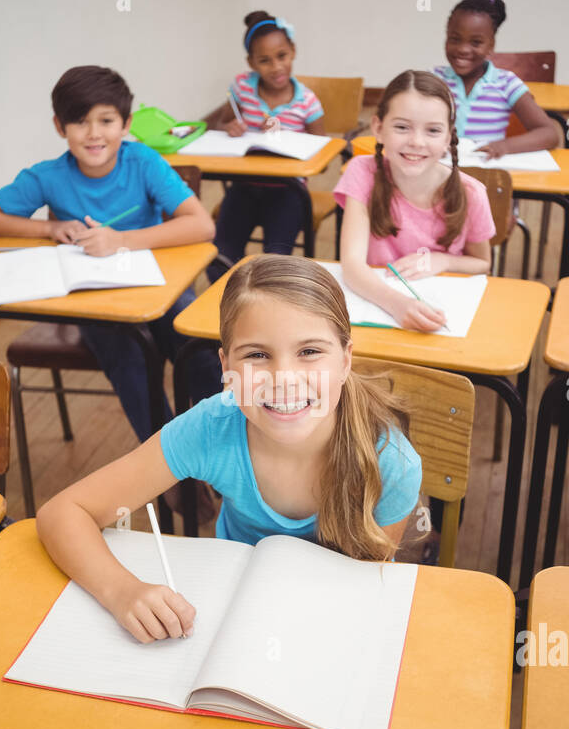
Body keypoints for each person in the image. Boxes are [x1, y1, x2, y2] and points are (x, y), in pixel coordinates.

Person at [37, 254, 423, 643]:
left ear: (345, 360)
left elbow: (367, 586)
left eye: (309, 352)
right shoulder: (212, 426)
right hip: (230, 609)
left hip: (327, 624)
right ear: (225, 367)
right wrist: (121, 591)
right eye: (257, 355)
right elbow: (63, 513)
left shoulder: (391, 462)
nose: (284, 379)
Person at [0, 65, 220, 442]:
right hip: (95, 300)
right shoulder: (49, 175)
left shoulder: (144, 162)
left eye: (106, 120)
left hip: (159, 286)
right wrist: (49, 228)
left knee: (197, 348)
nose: (94, 134)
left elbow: (202, 225)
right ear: (59, 126)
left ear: (126, 123)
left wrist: (120, 240)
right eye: (80, 122)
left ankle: (217, 446)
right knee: (128, 358)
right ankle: (170, 466)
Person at [335, 70, 494, 333]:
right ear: (378, 128)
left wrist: (443, 261)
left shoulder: (471, 193)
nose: (416, 142)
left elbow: (482, 263)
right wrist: (399, 305)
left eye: (432, 130)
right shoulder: (362, 173)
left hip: (441, 318)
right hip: (378, 311)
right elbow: (351, 265)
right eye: (401, 127)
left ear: (448, 138)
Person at [205, 11, 325, 281]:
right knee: (219, 257)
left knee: (274, 265)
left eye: (282, 56)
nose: (276, 67)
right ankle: (226, 308)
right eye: (264, 60)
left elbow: (322, 148)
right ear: (251, 63)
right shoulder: (242, 87)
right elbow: (223, 122)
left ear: (293, 51)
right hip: (245, 186)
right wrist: (230, 127)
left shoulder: (307, 101)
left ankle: (265, 312)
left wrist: (285, 139)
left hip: (288, 192)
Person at [435, 0, 560, 157]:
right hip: (440, 174)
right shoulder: (433, 80)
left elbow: (549, 134)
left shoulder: (506, 83)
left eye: (476, 42)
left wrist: (503, 146)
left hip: (485, 174)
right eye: (455, 39)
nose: (463, 49)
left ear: (491, 45)